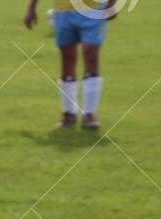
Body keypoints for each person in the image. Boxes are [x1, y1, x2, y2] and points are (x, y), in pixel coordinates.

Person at [24, 0, 116, 129]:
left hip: (93, 9)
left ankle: (89, 113)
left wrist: (111, 4)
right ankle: (69, 113)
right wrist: (32, 8)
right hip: (63, 11)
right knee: (67, 59)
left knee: (91, 55)